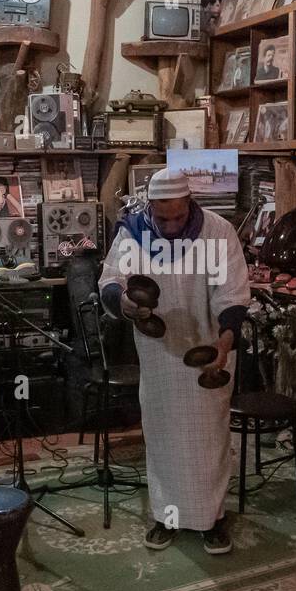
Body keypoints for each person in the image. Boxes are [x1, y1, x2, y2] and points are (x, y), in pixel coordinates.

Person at [99, 169, 251, 555]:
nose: (169, 225)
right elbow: (110, 280)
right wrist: (125, 303)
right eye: (161, 218)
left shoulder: (218, 232)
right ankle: (166, 516)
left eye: (177, 217)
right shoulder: (134, 232)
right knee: (163, 433)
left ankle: (211, 519)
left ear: (190, 204)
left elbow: (232, 292)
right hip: (159, 354)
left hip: (208, 351)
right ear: (150, 207)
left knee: (209, 436)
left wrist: (226, 339)